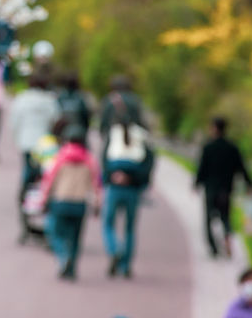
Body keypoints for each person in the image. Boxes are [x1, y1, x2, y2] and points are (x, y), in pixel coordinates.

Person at [39, 125, 101, 280]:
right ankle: (71, 267)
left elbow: (50, 180)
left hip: (61, 201)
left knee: (56, 234)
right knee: (75, 238)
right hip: (80, 204)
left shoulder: (60, 157)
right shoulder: (90, 160)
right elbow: (96, 184)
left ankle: (62, 256)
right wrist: (97, 203)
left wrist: (44, 199)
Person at [101, 118, 156, 278]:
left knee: (109, 223)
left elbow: (104, 159)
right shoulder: (142, 136)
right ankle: (126, 265)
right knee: (130, 228)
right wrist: (137, 180)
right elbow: (149, 162)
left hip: (115, 186)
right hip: (133, 188)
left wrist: (112, 177)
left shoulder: (113, 134)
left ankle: (115, 249)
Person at [196, 116, 252, 258]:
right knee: (225, 218)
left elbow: (202, 167)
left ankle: (214, 249)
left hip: (211, 189)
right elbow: (242, 167)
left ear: (215, 128)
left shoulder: (208, 147)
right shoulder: (232, 147)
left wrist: (196, 183)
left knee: (208, 219)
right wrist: (250, 184)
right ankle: (227, 237)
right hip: (226, 189)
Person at [10, 72, 61, 188]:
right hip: (44, 142)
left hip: (26, 140)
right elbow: (56, 120)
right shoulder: (49, 100)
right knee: (43, 171)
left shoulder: (21, 98)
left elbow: (14, 121)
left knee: (28, 167)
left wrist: (16, 138)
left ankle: (24, 193)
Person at [98, 74, 145, 140]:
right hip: (133, 136)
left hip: (114, 137)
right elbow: (140, 120)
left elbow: (104, 123)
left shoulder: (108, 100)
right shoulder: (134, 99)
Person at [55, 73, 92, 145]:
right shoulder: (80, 98)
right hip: (79, 133)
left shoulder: (60, 98)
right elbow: (85, 116)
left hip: (64, 133)